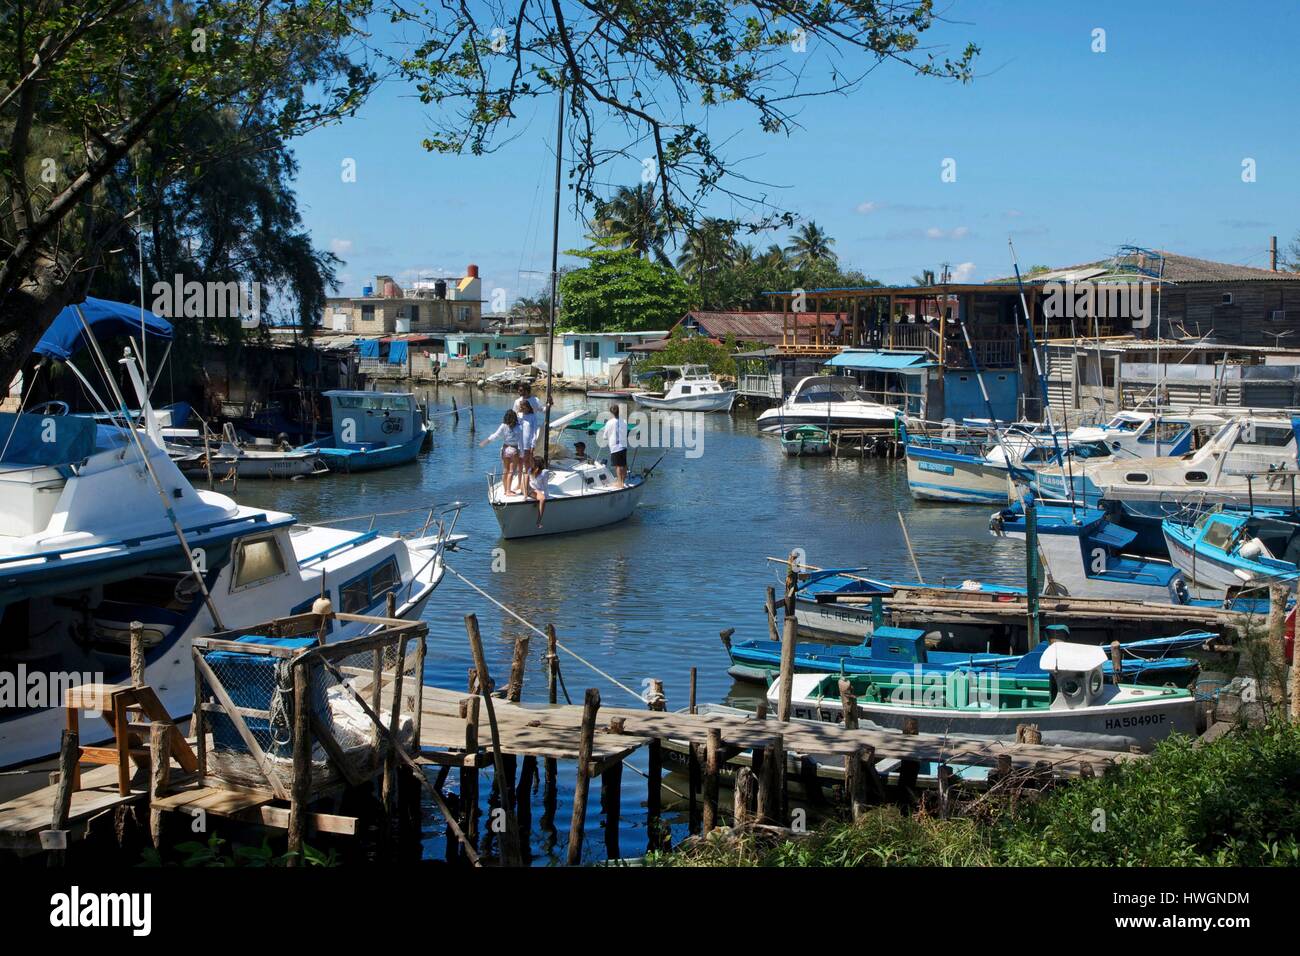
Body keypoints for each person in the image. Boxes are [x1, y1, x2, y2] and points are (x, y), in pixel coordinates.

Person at [479, 409, 522, 495]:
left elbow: (495, 435)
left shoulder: (503, 425)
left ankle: (505, 490)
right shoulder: (519, 427)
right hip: (514, 450)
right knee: (511, 471)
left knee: (505, 470)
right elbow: (522, 440)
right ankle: (508, 491)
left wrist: (485, 442)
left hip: (505, 449)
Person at [600, 402, 628, 488]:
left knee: (618, 466)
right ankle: (623, 481)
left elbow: (605, 436)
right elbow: (626, 433)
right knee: (623, 464)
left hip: (615, 447)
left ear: (611, 413)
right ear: (618, 412)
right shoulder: (624, 421)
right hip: (623, 446)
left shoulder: (609, 423)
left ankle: (620, 484)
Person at [527, 457, 552, 528]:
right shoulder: (530, 470)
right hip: (531, 489)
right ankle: (539, 520)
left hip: (534, 490)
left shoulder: (543, 472)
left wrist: (546, 495)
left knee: (542, 498)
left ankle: (538, 520)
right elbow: (545, 485)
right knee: (542, 498)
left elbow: (545, 485)